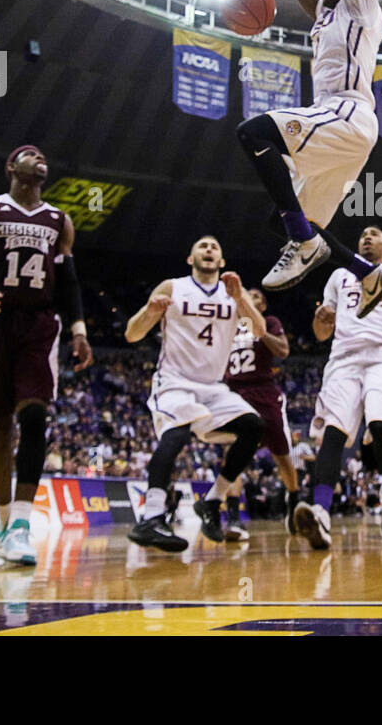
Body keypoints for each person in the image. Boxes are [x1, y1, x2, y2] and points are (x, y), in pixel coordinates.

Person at [238, 0, 382, 316]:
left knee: (254, 133)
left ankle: (304, 241)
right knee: (284, 221)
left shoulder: (362, 2)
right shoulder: (326, 17)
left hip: (347, 112)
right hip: (344, 128)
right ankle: (366, 270)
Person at [0, 145, 94, 565]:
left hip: (38, 324)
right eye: (30, 154)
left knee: (34, 415)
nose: (40, 158)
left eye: (44, 155)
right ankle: (3, 519)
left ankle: (21, 524)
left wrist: (79, 328)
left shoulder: (59, 221)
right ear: (12, 167)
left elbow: (68, 280)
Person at [123, 236, 266, 552]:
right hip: (174, 383)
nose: (209, 250)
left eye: (215, 247)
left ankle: (213, 501)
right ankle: (151, 517)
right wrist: (150, 312)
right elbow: (132, 333)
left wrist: (241, 296)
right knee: (176, 434)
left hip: (214, 388)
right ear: (190, 259)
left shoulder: (234, 294)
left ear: (222, 261)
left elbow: (258, 332)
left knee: (253, 426)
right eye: (202, 246)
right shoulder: (172, 287)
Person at [298, 227, 382, 548]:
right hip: (343, 360)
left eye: (375, 234)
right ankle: (321, 513)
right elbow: (321, 333)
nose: (366, 237)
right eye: (362, 234)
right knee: (333, 434)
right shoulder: (339, 275)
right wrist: (322, 318)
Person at [223, 287, 299, 538]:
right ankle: (234, 520)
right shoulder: (228, 325)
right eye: (246, 295)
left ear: (262, 305)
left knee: (282, 456)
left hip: (264, 391)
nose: (248, 298)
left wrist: (261, 329)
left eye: (255, 296)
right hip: (234, 393)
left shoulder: (269, 322)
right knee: (232, 455)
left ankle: (293, 501)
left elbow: (284, 351)